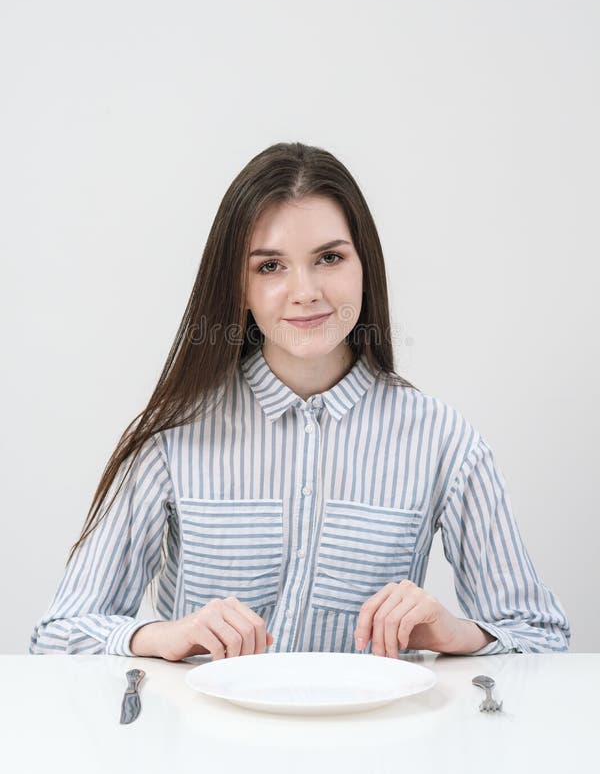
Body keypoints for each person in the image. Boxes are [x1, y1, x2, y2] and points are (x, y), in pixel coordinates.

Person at [29, 141, 570, 660]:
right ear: (236, 287)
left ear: (365, 266)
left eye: (329, 258)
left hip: (373, 750)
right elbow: (59, 636)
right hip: (205, 752)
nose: (305, 291)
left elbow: (542, 638)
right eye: (269, 266)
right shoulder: (172, 435)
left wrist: (456, 633)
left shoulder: (444, 441)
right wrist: (161, 636)